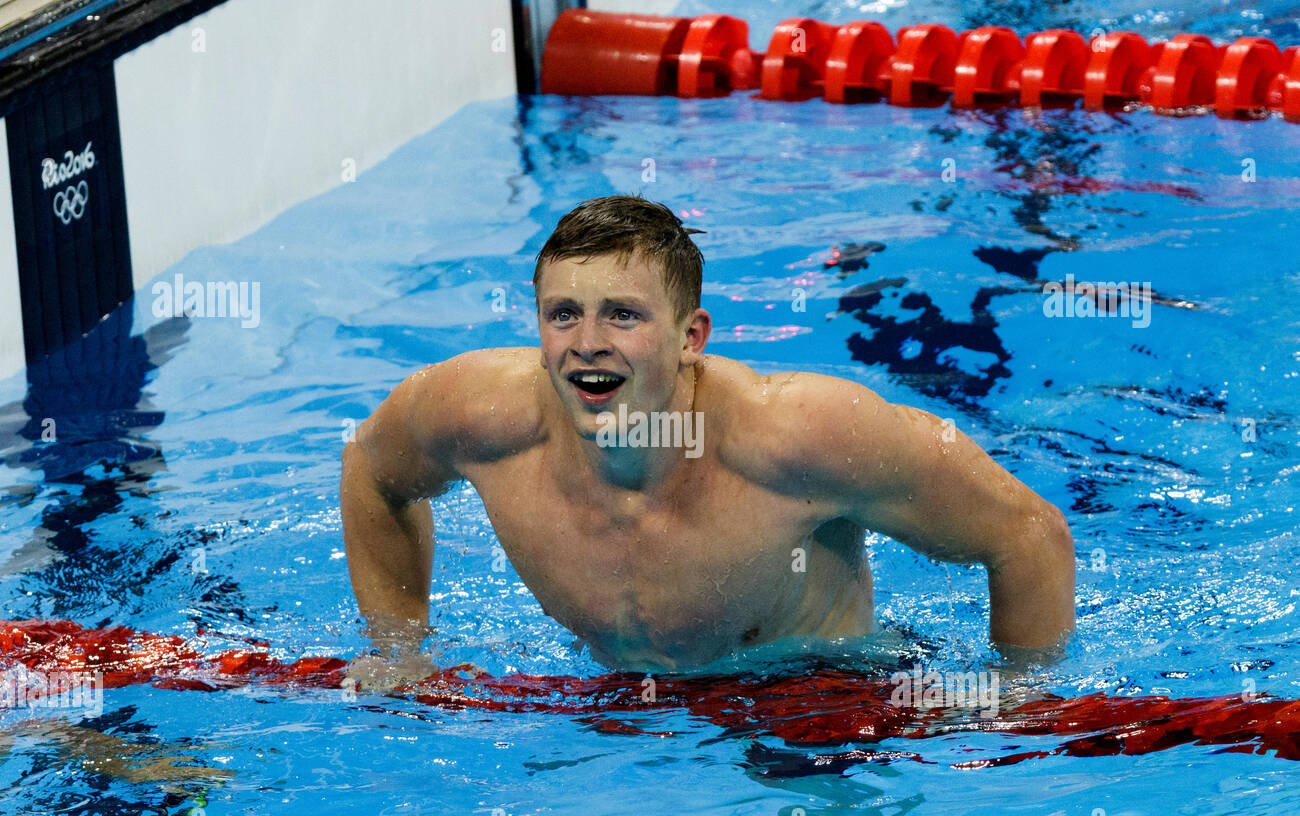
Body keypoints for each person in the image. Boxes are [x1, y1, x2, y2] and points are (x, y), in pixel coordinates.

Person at [340, 196, 1074, 673]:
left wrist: (1019, 700)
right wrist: (400, 648)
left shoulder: (800, 435)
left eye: (623, 316)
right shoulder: (477, 414)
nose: (586, 342)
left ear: (691, 336)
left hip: (816, 705)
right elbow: (371, 470)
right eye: (563, 314)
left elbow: (1028, 536)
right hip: (614, 710)